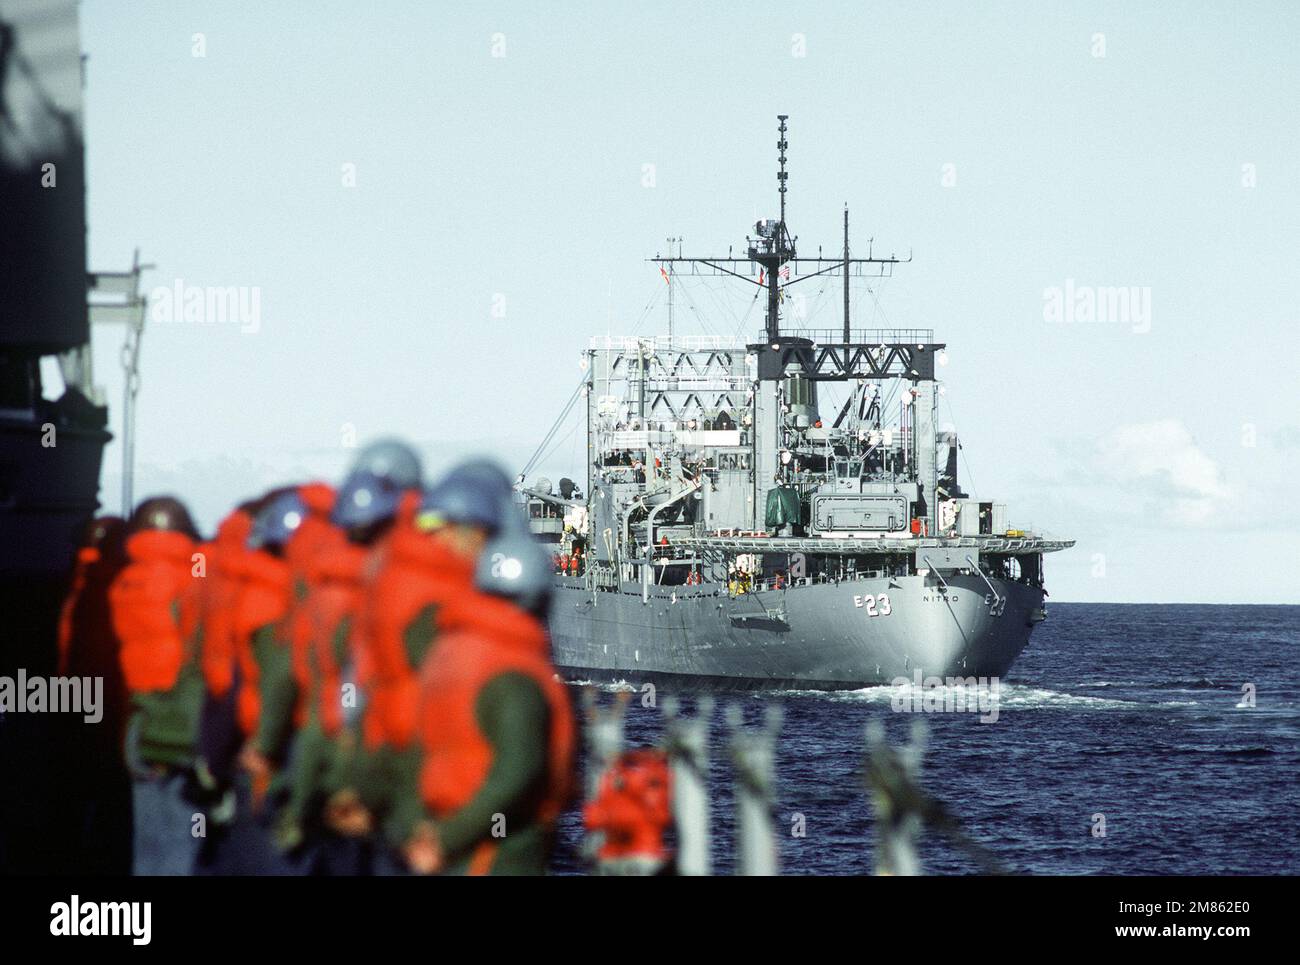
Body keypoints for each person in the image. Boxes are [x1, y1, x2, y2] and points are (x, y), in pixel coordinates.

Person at [403, 461, 575, 876]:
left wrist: (419, 832)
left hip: (457, 836)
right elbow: (519, 769)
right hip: (495, 848)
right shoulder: (510, 666)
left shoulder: (450, 645)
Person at [275, 439, 423, 875]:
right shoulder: (432, 582)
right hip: (408, 790)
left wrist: (305, 796)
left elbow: (316, 690)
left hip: (342, 772)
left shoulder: (325, 586)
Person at [108, 496, 205, 875]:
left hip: (139, 724)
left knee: (148, 840)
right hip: (184, 725)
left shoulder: (124, 585)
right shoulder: (195, 582)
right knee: (186, 836)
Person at [56, 516, 132, 875]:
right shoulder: (123, 586)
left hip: (80, 699)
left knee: (84, 787)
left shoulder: (80, 584)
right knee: (111, 791)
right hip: (110, 701)